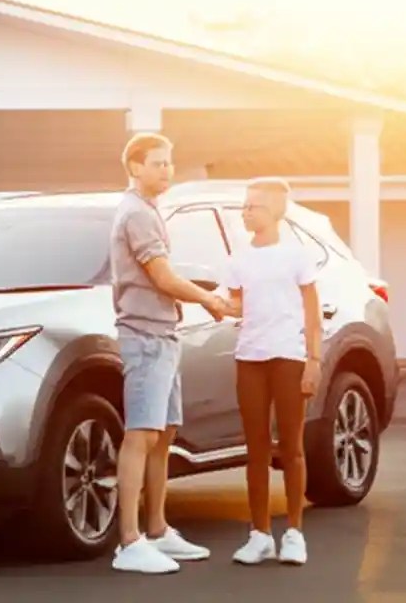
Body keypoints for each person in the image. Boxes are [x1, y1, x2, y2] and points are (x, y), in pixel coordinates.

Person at [109, 132, 237, 574]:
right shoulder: (136, 215)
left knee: (162, 436)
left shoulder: (149, 211)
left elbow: (163, 278)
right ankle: (129, 541)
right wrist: (209, 300)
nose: (166, 170)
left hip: (163, 334)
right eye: (157, 163)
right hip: (143, 335)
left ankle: (159, 530)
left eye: (169, 162)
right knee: (141, 434)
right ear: (135, 168)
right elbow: (162, 278)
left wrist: (202, 297)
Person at [223, 177, 323, 567]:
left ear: (276, 211)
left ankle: (294, 533)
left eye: (254, 206)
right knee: (256, 448)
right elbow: (235, 305)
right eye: (245, 206)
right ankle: (260, 533)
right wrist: (202, 298)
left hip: (289, 357)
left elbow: (313, 314)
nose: (246, 212)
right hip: (250, 358)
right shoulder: (238, 259)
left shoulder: (297, 256)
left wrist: (314, 360)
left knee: (292, 447)